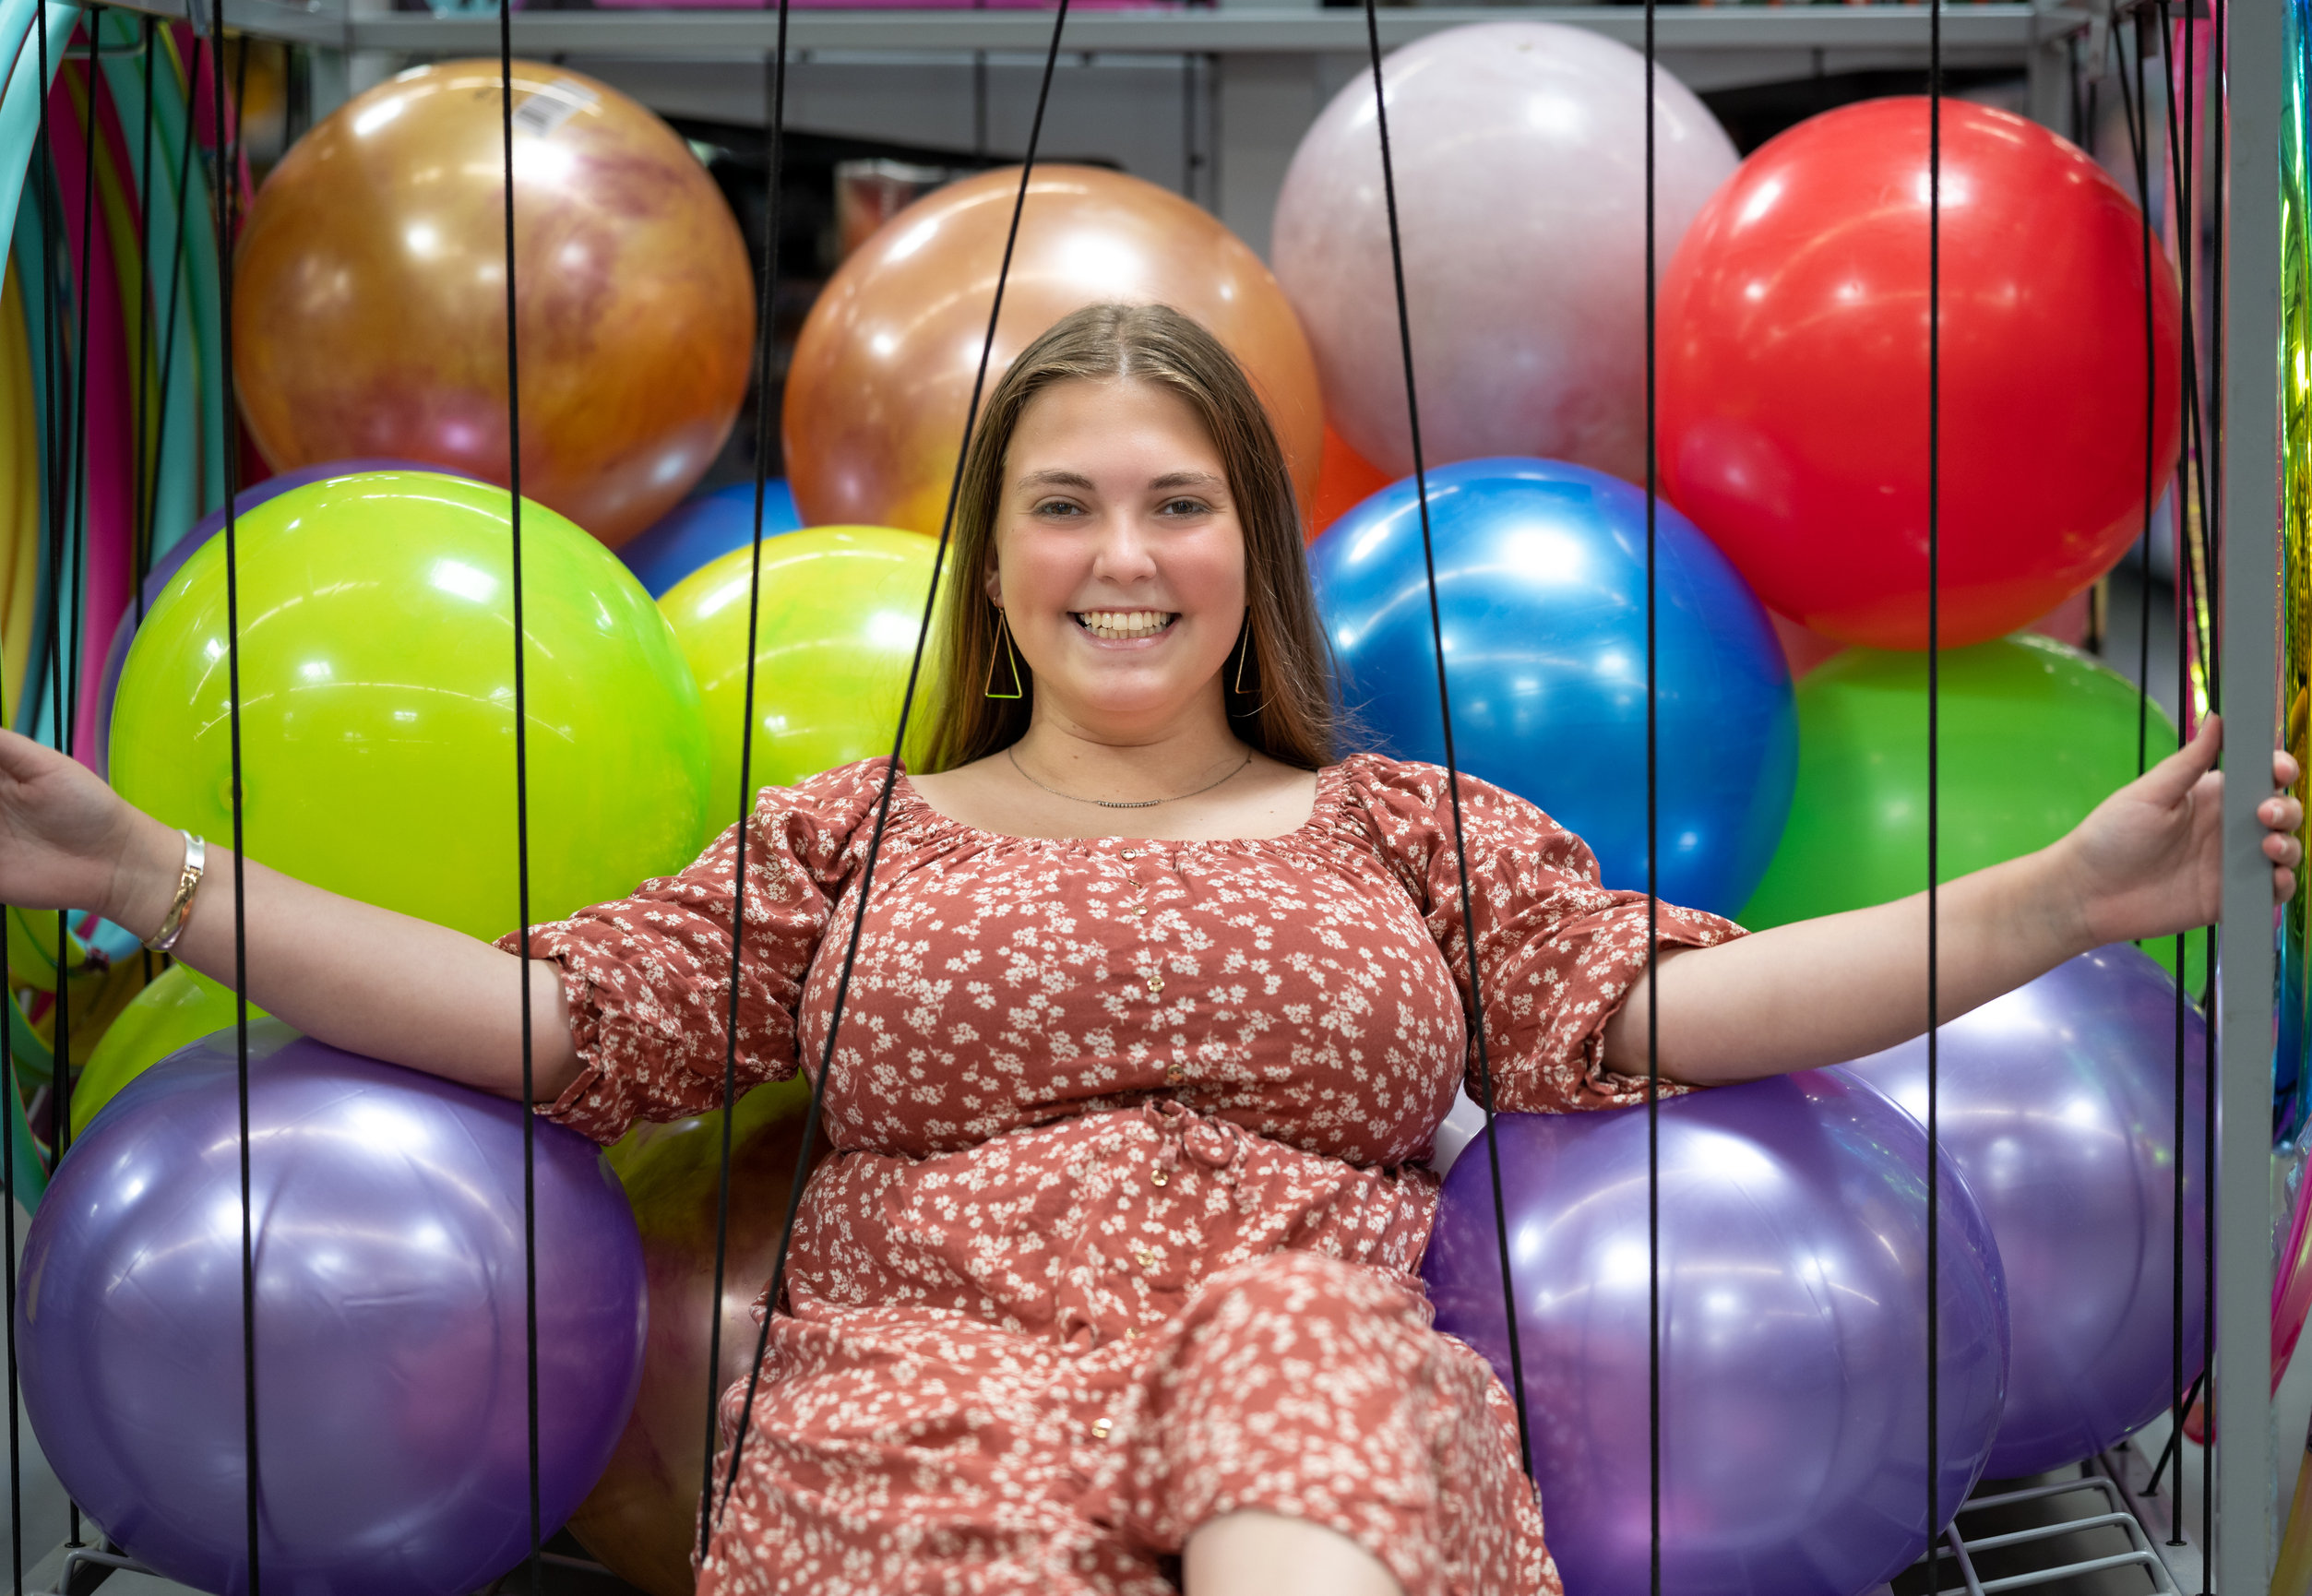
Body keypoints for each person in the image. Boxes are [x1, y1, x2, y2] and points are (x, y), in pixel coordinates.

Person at [0, 303, 2295, 1596]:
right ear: (991, 565)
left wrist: (2066, 899)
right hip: (919, 1427)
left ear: (1247, 559)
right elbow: (547, 1027)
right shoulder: (846, 843)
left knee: (1300, 1355)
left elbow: (1673, 1013)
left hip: (1302, 1405)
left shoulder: (1412, 831)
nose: (1124, 554)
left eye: (1178, 502)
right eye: (1063, 504)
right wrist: (138, 864)